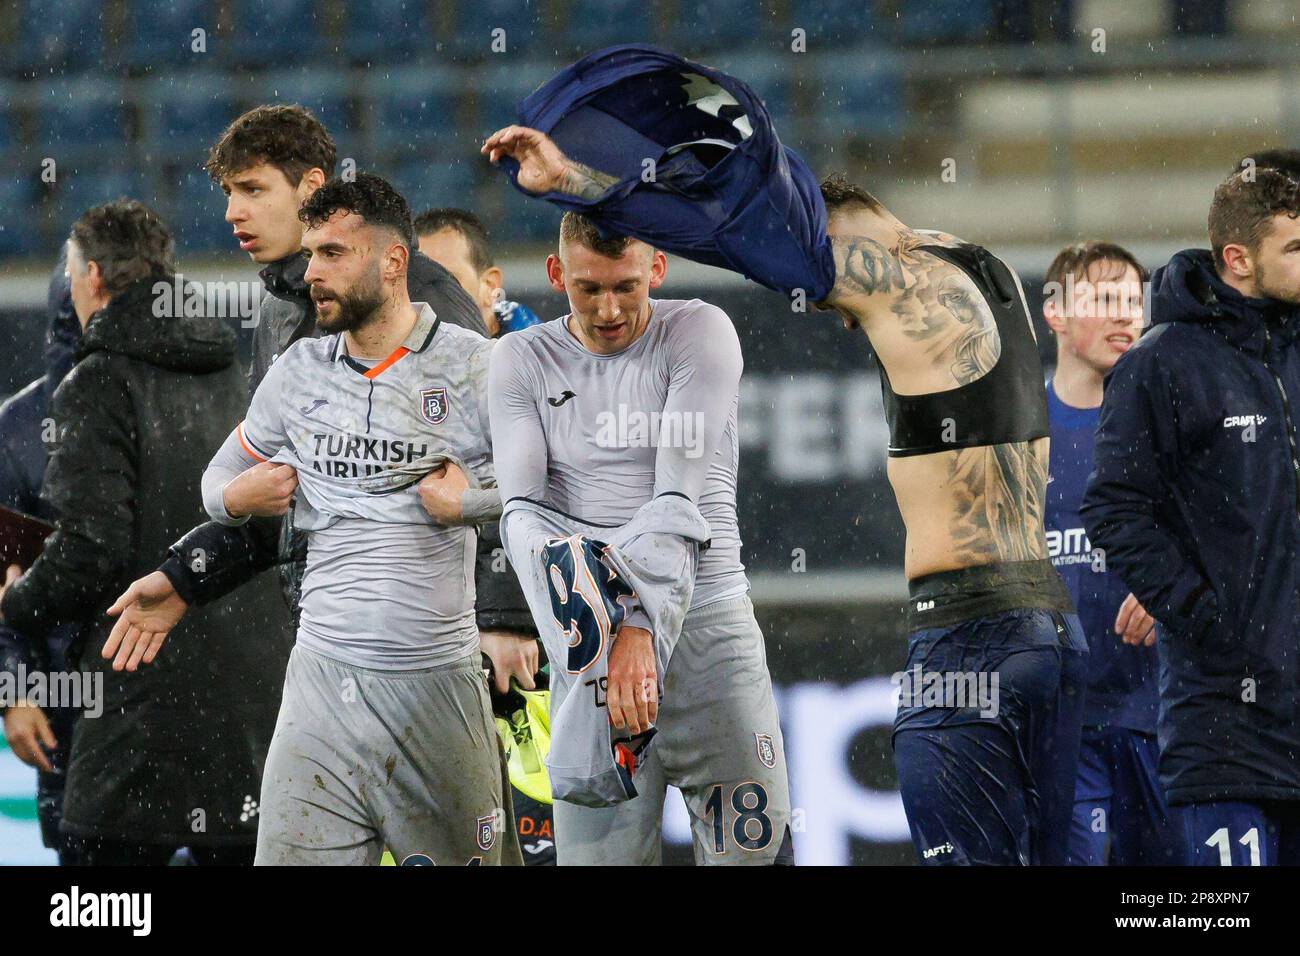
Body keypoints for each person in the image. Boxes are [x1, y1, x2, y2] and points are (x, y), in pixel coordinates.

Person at [482, 46, 1087, 865]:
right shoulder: (979, 269)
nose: (839, 320)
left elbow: (750, 239)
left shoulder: (896, 284)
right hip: (1052, 631)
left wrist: (577, 183)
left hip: (966, 640)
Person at [113, 174, 521, 866]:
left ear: (392, 262)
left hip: (436, 688)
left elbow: (551, 489)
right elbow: (217, 480)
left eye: (332, 253)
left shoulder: (476, 368)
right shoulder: (299, 370)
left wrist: (467, 506)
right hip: (319, 690)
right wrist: (238, 501)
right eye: (309, 255)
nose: (311, 273)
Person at [103, 106, 531, 695]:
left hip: (430, 648)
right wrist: (185, 576)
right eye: (228, 193)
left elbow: (490, 466)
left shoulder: (423, 298)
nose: (233, 212)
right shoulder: (280, 312)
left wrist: (504, 616)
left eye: (253, 189)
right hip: (324, 632)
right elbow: (282, 483)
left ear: (311, 185)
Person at [481, 211, 793, 865]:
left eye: (626, 285)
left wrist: (640, 626)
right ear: (555, 273)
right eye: (588, 288)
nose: (609, 308)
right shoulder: (520, 359)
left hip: (708, 646)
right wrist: (600, 623)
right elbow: (522, 513)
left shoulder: (701, 332)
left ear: (657, 268)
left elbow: (680, 495)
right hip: (590, 652)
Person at [0, 200, 289, 865]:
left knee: (105, 907)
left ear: (94, 277)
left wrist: (16, 603)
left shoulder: (95, 382)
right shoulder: (236, 373)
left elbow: (89, 551)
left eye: (74, 276)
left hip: (139, 697)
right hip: (253, 700)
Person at [1082, 167, 1300, 866]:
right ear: (1238, 259)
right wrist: (1204, 616)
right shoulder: (1162, 363)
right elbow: (1115, 508)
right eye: (1295, 248)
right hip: (1224, 727)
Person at [414, 206, 553, 865]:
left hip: (524, 665)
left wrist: (504, 613)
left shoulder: (540, 372)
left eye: (444, 279)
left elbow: (544, 498)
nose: (430, 301)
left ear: (491, 284)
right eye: (416, 284)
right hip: (429, 663)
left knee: (544, 839)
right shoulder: (408, 381)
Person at [1040, 240, 1185, 865]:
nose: (1127, 314)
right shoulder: (1019, 431)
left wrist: (1172, 586)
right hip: (1060, 724)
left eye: (1134, 301)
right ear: (1056, 312)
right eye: (1104, 298)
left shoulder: (1174, 425)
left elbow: (1235, 542)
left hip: (1163, 717)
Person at [0, 246, 81, 864]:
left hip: (173, 687)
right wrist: (13, 691)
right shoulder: (18, 429)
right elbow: (4, 575)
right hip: (65, 692)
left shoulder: (185, 407)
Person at [415, 208, 542, 338]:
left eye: (447, 281)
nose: (427, 297)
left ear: (490, 286)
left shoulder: (539, 355)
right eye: (414, 283)